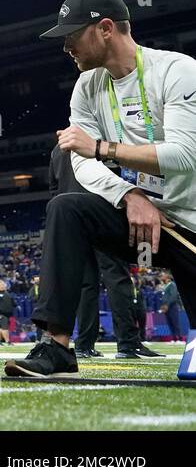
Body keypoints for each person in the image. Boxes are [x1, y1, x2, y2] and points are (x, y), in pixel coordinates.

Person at [7, 0, 196, 377]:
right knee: (66, 208)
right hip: (141, 220)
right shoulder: (87, 86)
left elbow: (183, 155)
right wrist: (130, 195)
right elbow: (81, 161)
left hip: (189, 225)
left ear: (105, 28)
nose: (66, 47)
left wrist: (102, 147)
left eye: (72, 35)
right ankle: (56, 346)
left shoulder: (178, 70)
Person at [52, 143, 159, 359]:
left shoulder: (58, 149)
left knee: (86, 285)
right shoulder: (94, 140)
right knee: (116, 277)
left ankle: (84, 345)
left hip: (73, 220)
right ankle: (128, 343)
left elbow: (54, 188)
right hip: (99, 213)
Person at [159, 271, 187, 341]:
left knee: (175, 322)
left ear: (167, 277)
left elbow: (173, 296)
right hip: (166, 307)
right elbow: (165, 297)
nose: (161, 277)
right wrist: (163, 305)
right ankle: (174, 338)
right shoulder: (166, 286)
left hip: (172, 306)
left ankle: (179, 338)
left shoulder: (172, 285)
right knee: (170, 323)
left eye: (162, 276)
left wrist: (167, 305)